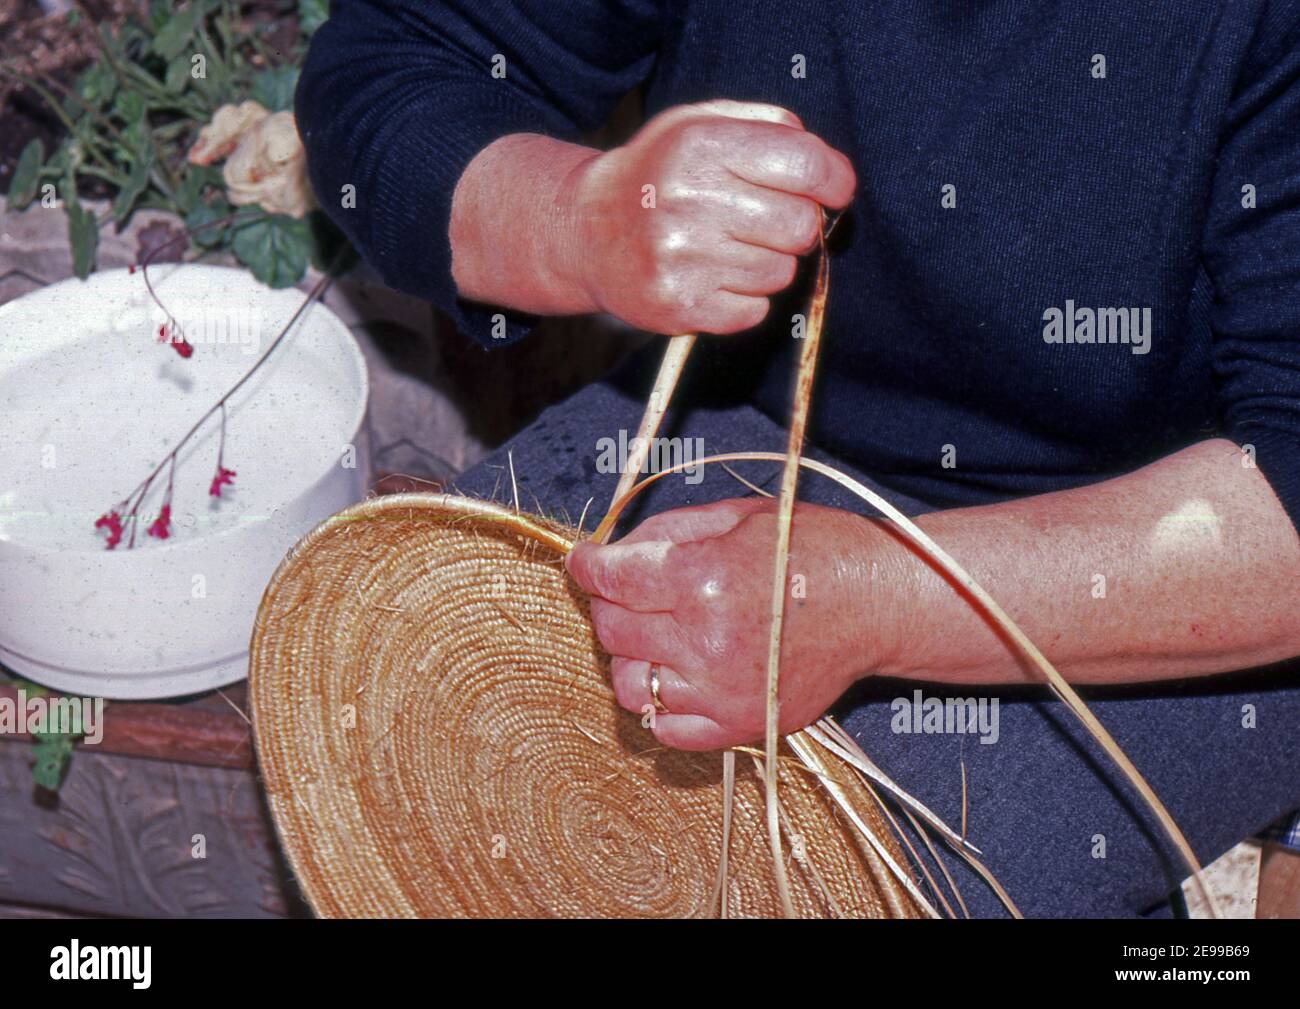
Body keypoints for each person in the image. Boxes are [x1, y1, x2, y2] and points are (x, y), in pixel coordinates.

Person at [297, 0, 1300, 916]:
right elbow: (393, 59)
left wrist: (870, 598)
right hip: (753, 406)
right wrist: (579, 218)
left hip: (1172, 551)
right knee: (392, 746)